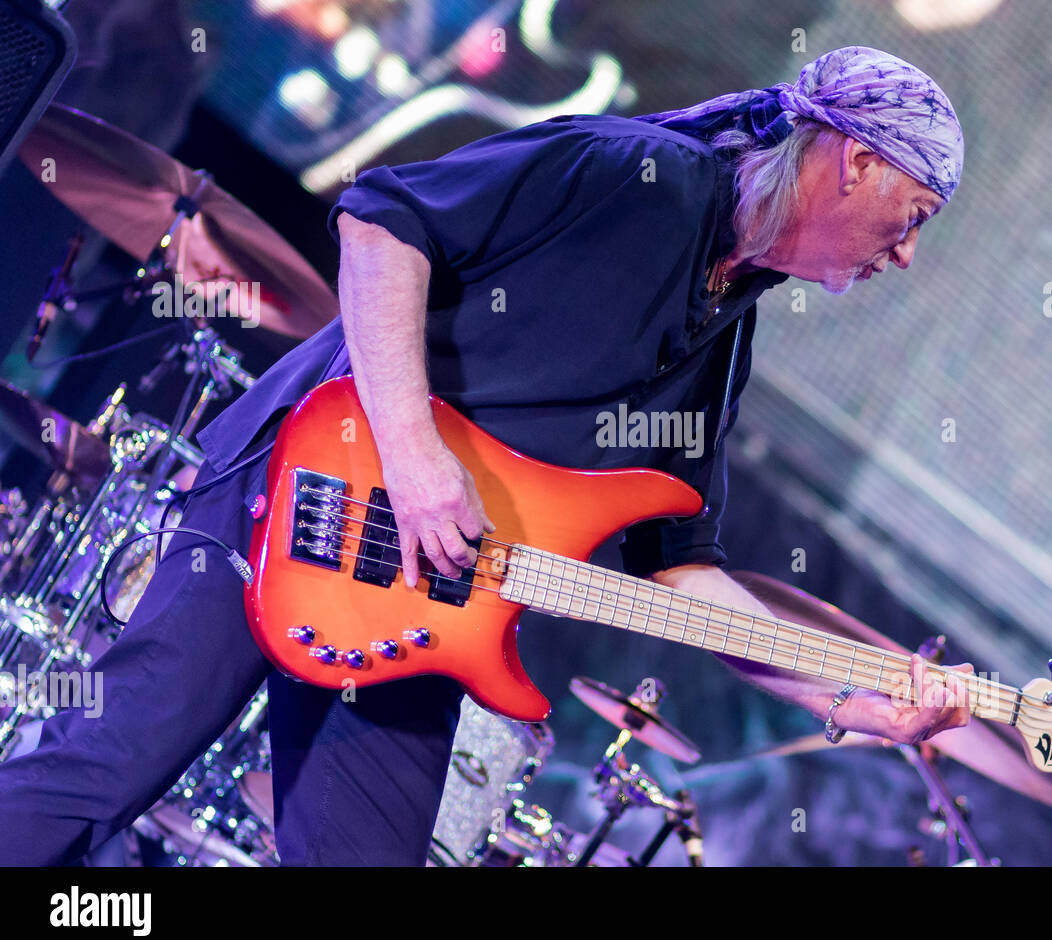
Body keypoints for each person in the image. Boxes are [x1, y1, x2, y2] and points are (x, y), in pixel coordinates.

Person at [0, 46, 972, 866]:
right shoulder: (629, 172)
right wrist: (418, 463)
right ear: (852, 160)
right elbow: (382, 222)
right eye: (917, 210)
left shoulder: (724, 331)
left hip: (429, 608)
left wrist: (854, 696)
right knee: (110, 764)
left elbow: (680, 572)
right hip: (306, 491)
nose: (908, 255)